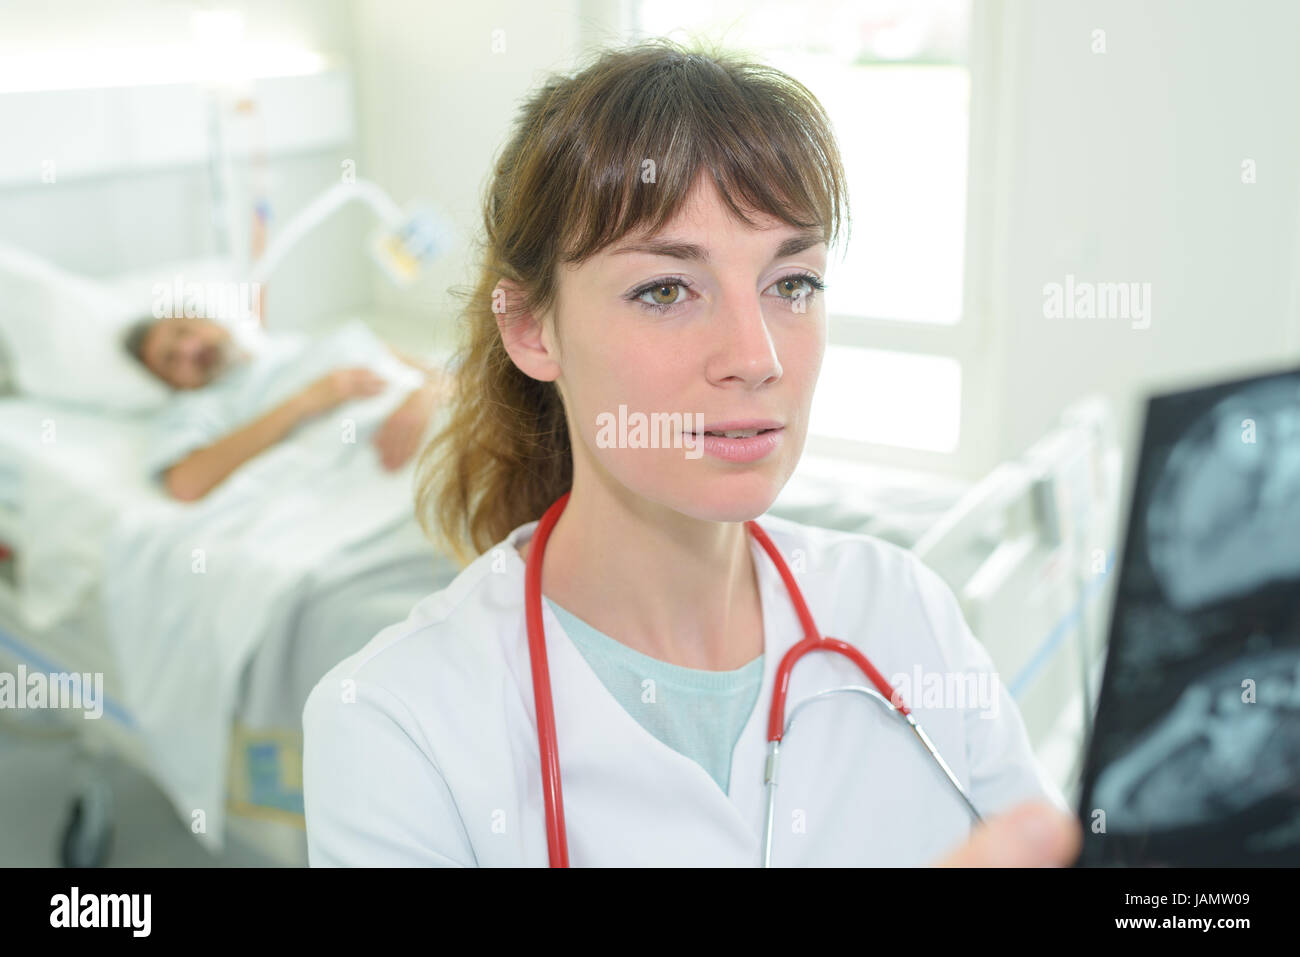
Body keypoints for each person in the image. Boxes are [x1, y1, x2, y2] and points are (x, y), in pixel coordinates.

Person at [301, 40, 1084, 867]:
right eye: (666, 290)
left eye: (792, 284)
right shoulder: (392, 725)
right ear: (531, 327)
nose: (757, 356)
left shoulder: (906, 612)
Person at [123, 314, 449, 501]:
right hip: (389, 456)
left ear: (211, 321)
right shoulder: (197, 407)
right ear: (171, 385)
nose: (189, 349)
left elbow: (439, 374)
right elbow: (186, 483)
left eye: (184, 332)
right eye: (171, 359)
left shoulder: (290, 344)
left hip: (438, 411)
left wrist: (426, 395)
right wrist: (306, 401)